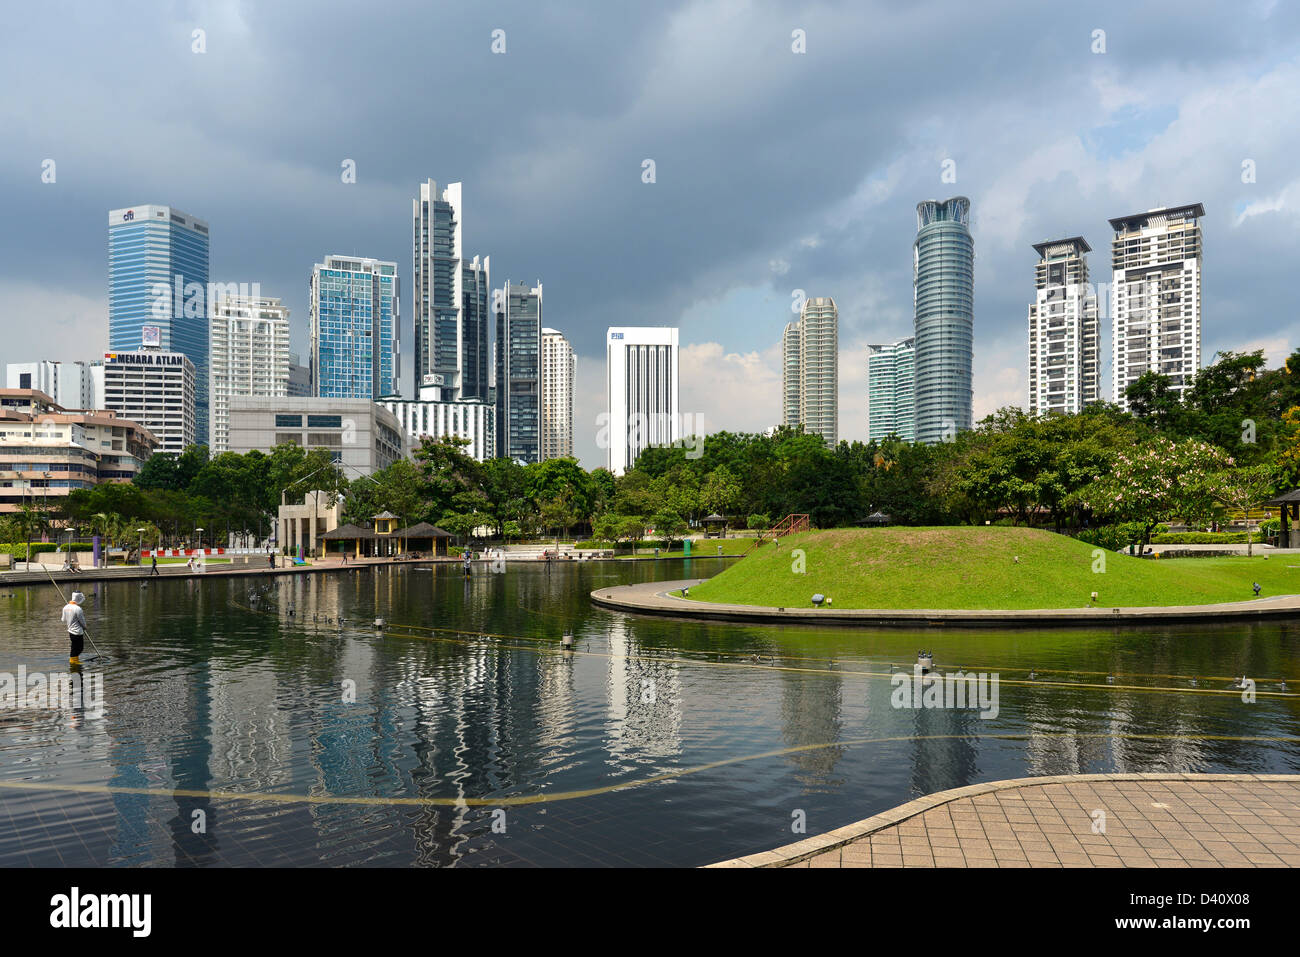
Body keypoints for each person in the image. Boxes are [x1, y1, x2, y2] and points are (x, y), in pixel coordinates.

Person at [61, 591, 88, 666]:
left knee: (74, 647)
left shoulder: (65, 607)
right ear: (79, 598)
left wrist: (70, 617)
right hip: (78, 632)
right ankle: (73, 661)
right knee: (79, 648)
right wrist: (85, 627)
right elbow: (82, 620)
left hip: (70, 631)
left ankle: (74, 660)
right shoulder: (78, 609)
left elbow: (63, 619)